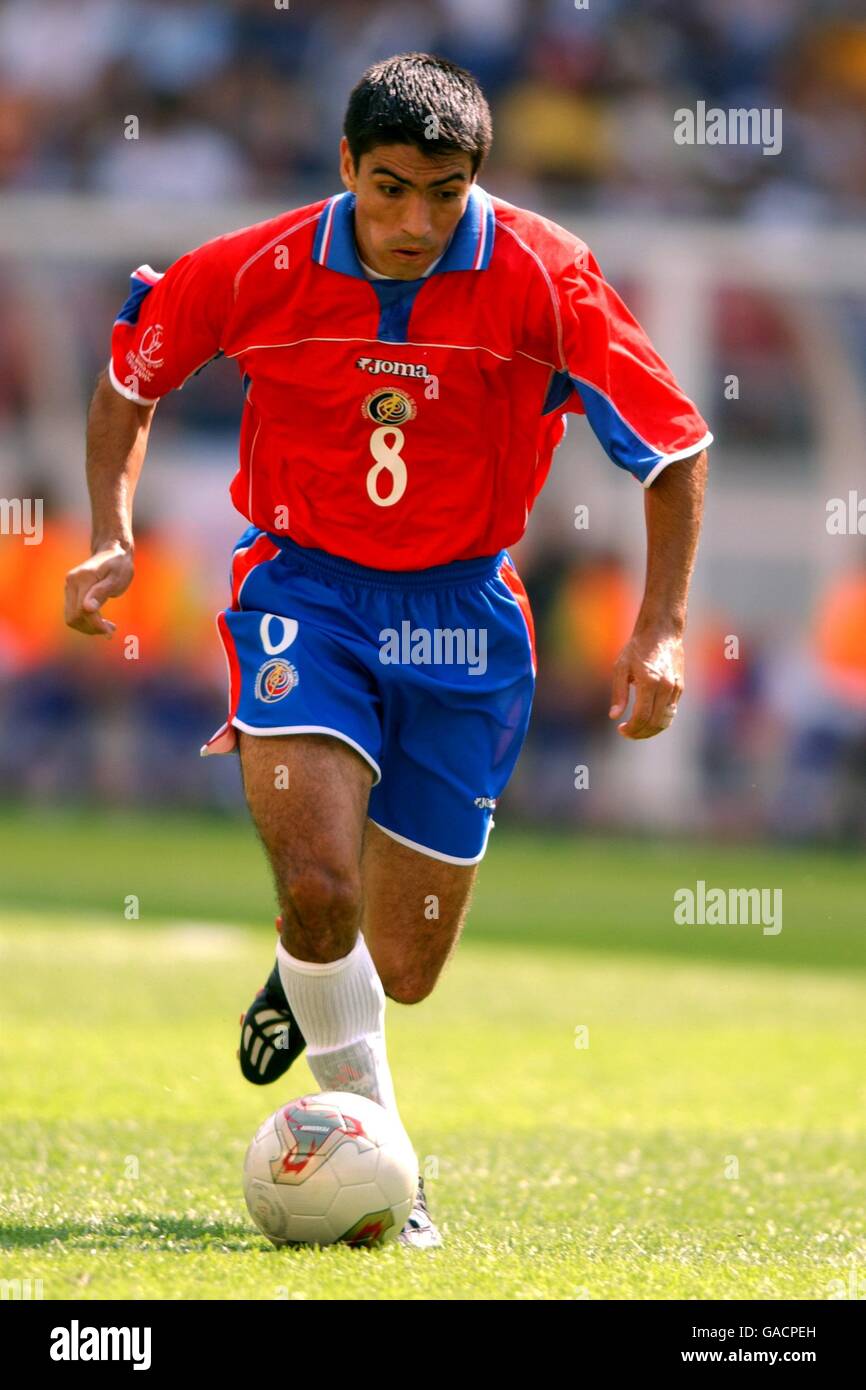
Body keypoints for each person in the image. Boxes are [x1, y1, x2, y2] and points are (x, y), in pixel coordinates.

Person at [64, 53, 711, 1248]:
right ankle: (388, 1172)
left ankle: (311, 967)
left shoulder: (546, 276)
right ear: (347, 170)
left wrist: (661, 627)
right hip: (302, 593)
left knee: (400, 965)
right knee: (318, 887)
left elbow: (671, 449)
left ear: (479, 180)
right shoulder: (257, 267)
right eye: (392, 188)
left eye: (447, 191)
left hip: (466, 617)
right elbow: (127, 376)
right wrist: (110, 534)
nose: (417, 220)